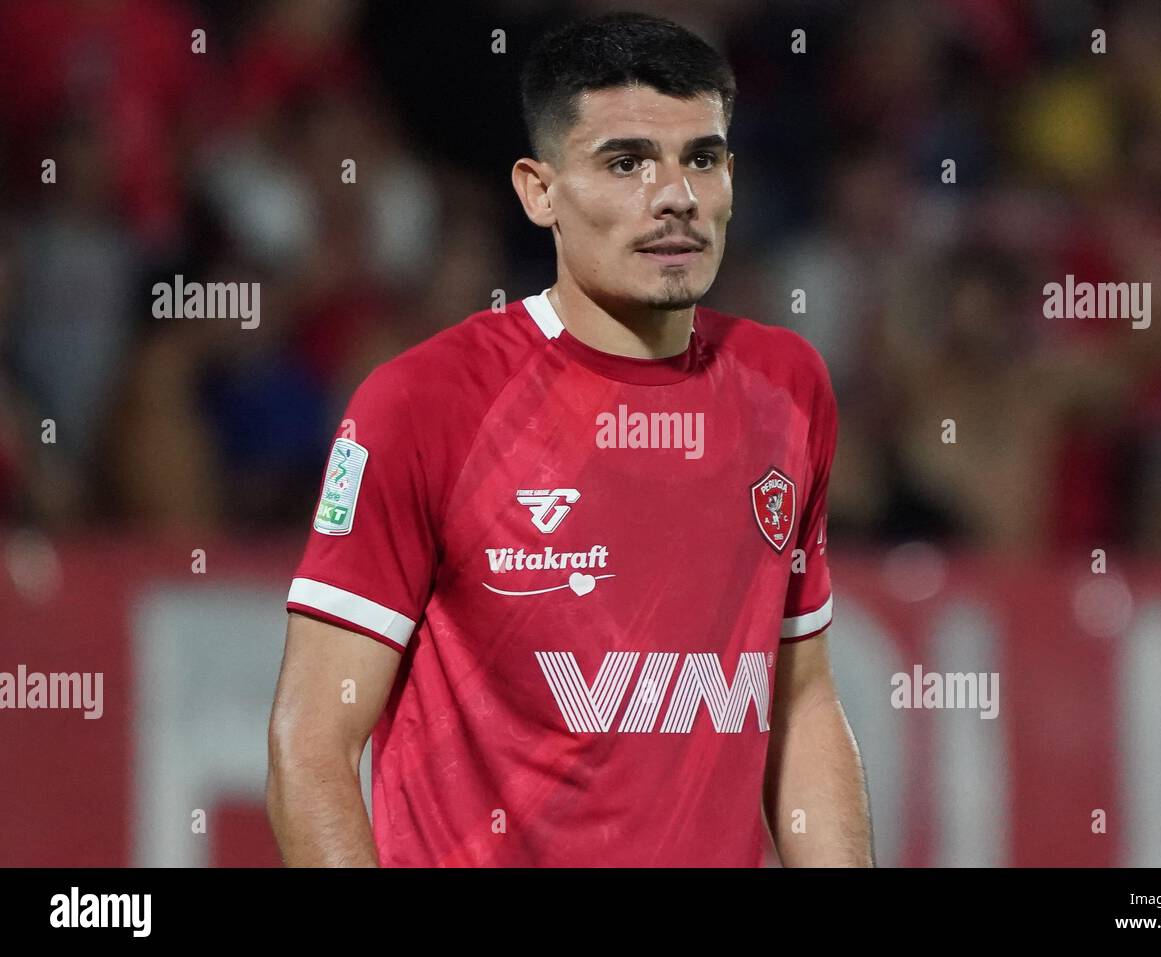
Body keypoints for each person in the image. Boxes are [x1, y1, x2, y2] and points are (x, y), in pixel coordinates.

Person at [267, 11, 873, 867]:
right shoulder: (426, 403)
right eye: (626, 162)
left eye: (701, 158)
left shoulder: (787, 387)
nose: (676, 196)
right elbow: (312, 742)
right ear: (538, 189)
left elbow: (800, 703)